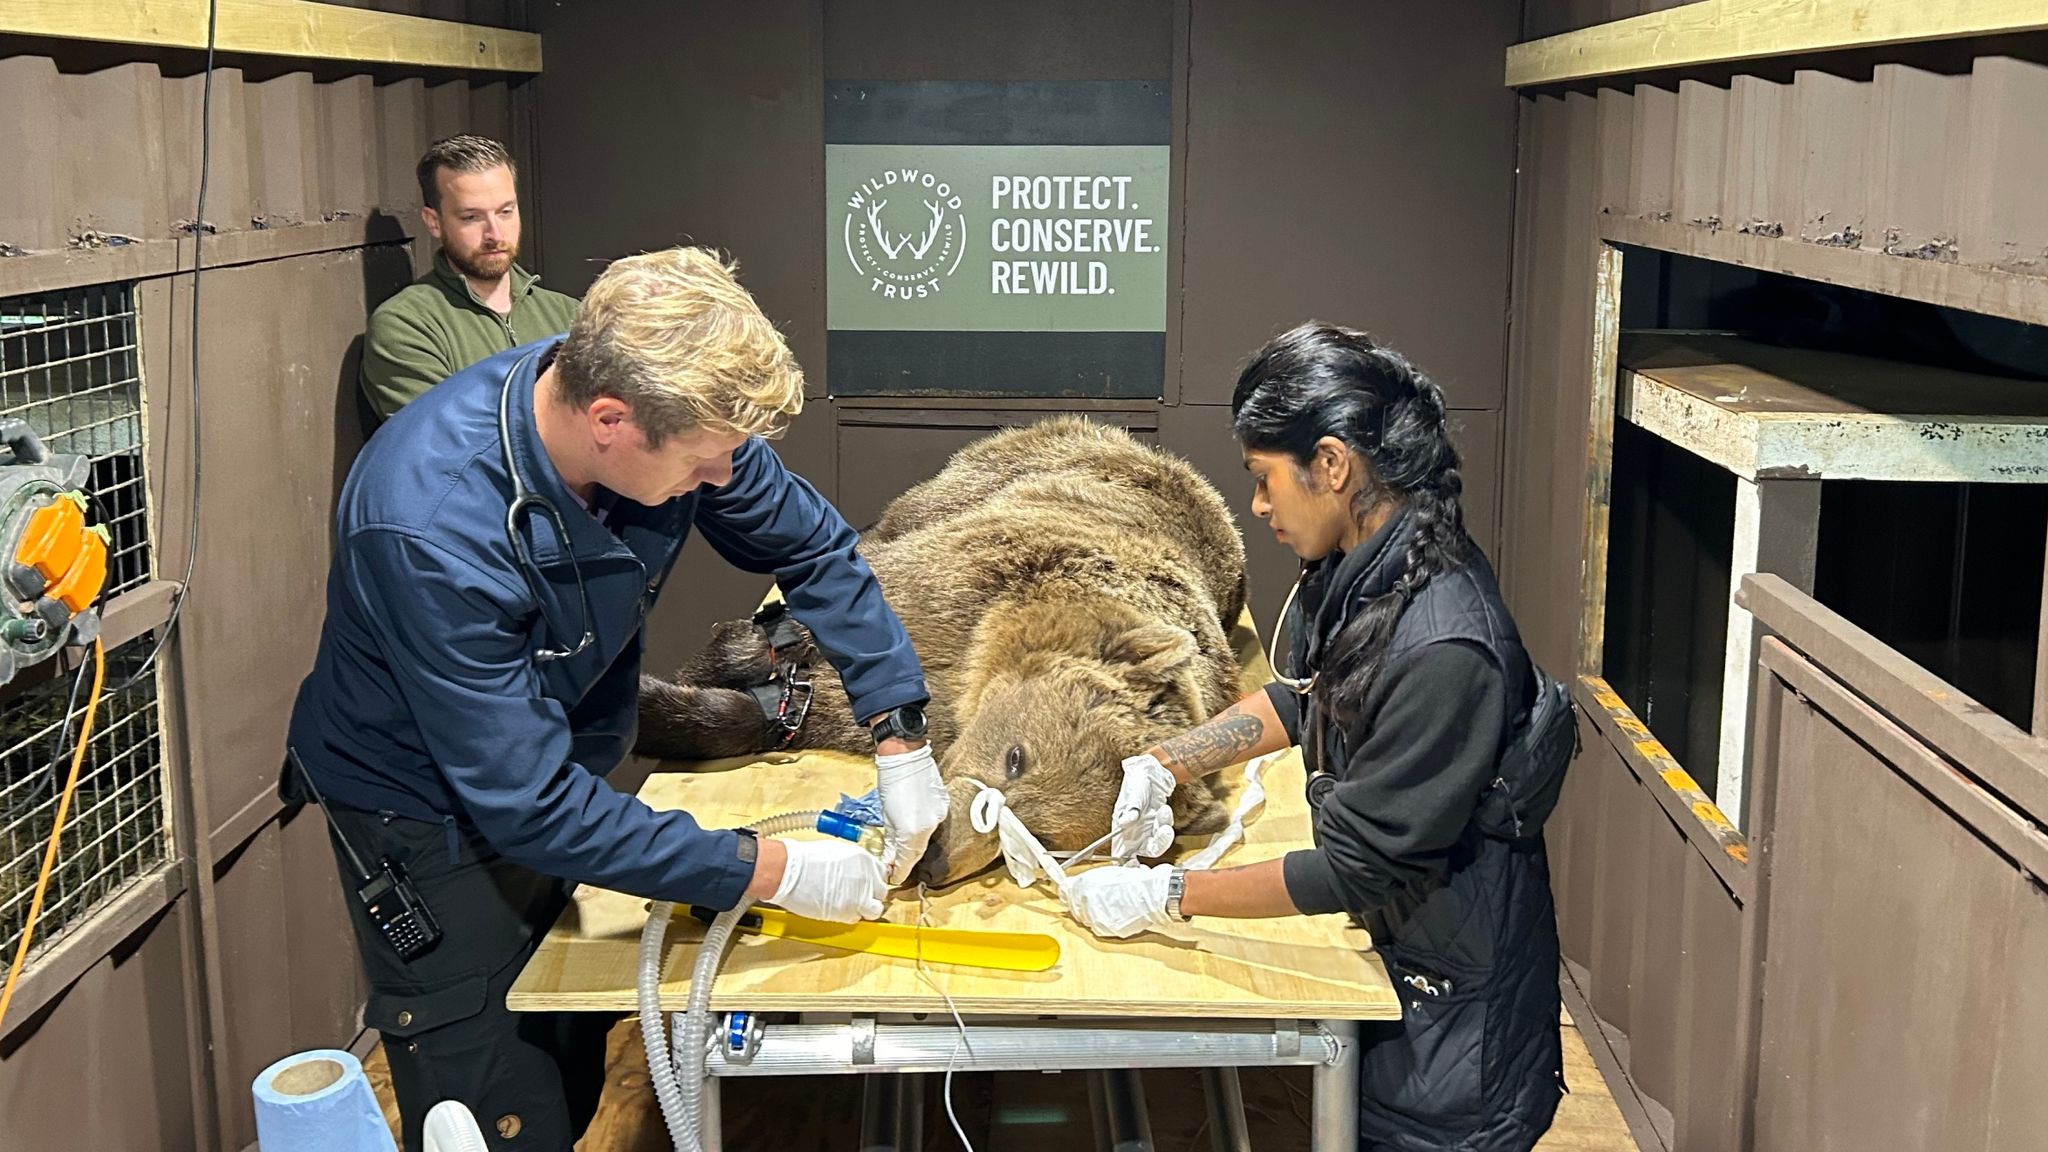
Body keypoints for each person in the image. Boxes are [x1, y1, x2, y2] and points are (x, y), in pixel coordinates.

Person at [287, 246, 948, 1152]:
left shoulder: (662, 399)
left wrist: (898, 731)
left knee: (569, 1033)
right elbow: (528, 806)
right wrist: (775, 871)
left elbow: (816, 551)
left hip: (548, 761)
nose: (721, 482)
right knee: (495, 1095)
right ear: (610, 422)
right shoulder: (429, 526)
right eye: (704, 465)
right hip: (422, 813)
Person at [1064, 323, 1565, 1151]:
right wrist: (1162, 763)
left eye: (1264, 480)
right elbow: (1309, 699)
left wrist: (1169, 897)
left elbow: (1359, 865)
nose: (1258, 506)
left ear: (1332, 465)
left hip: (1451, 1027)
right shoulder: (1367, 565)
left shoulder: (1448, 647)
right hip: (1398, 955)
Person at [360, 134, 580, 421]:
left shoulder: (568, 313)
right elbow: (447, 443)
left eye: (505, 212)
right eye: (471, 218)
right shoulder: (407, 325)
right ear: (434, 222)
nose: (495, 235)